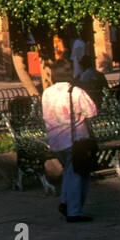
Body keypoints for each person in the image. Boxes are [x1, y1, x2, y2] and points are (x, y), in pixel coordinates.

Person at [41, 61, 98, 223]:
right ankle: (73, 211)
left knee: (68, 172)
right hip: (75, 141)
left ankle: (65, 202)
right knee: (77, 176)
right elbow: (92, 112)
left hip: (55, 141)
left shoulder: (47, 93)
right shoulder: (76, 92)